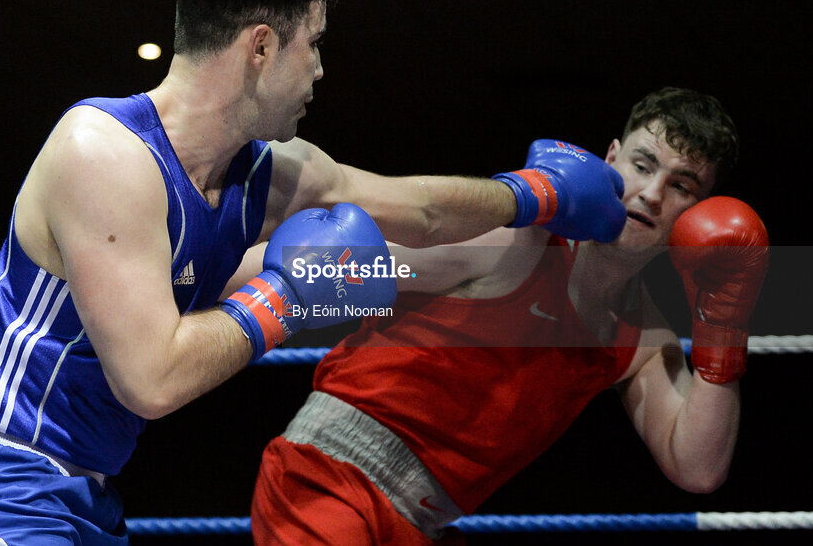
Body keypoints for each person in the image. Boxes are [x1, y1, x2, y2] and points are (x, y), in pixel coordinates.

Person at [0, 0, 627, 544]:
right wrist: (285, 294)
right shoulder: (103, 153)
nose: (319, 67)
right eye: (311, 43)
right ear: (259, 47)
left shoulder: (272, 173)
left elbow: (422, 212)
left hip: (79, 491)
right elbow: (151, 378)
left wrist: (532, 195)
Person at [251, 87, 771, 545]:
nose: (652, 193)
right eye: (642, 164)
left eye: (682, 185)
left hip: (418, 526)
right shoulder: (512, 245)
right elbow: (322, 261)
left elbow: (698, 468)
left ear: (699, 211)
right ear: (610, 158)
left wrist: (723, 326)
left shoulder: (640, 337)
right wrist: (191, 282)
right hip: (327, 482)